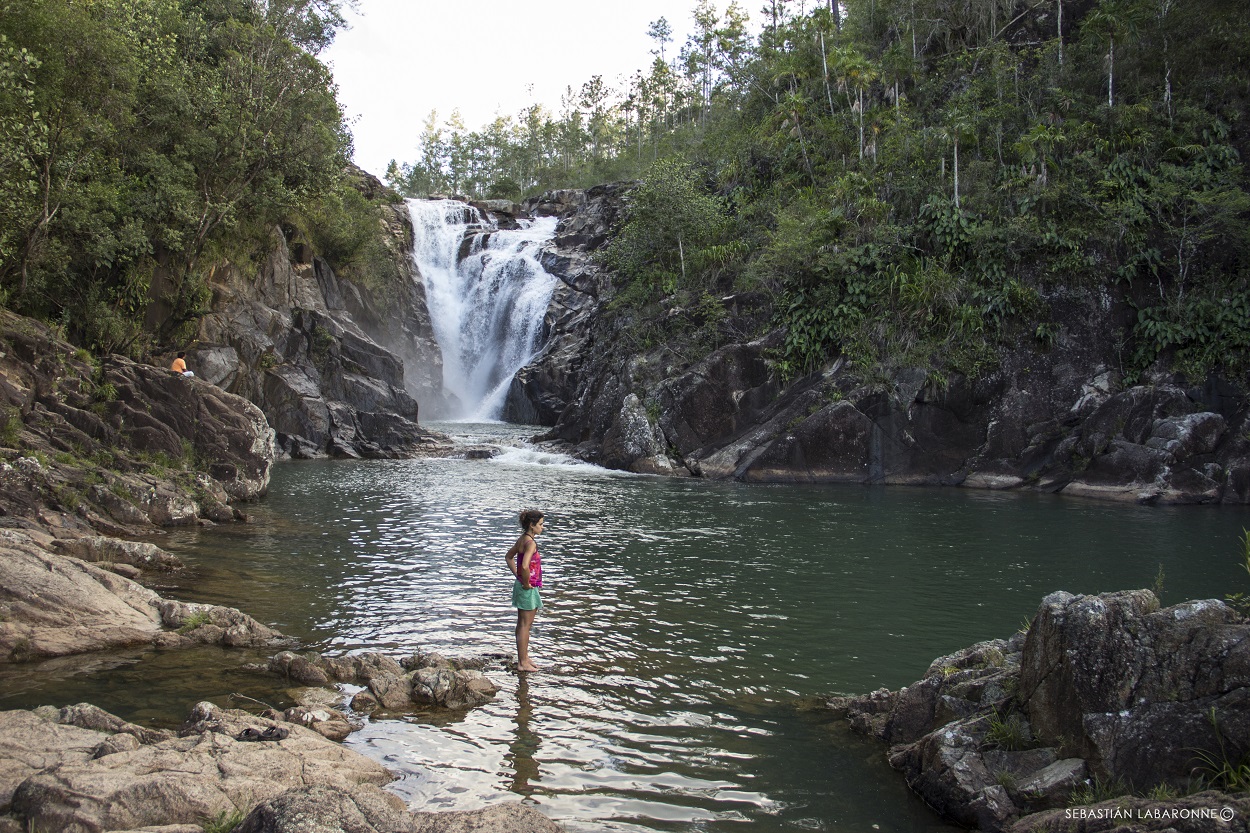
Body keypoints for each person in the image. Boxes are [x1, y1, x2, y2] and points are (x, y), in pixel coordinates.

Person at [505, 509, 545, 672]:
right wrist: (526, 582)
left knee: (522, 624)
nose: (542, 528)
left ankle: (524, 657)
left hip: (521, 585)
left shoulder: (522, 539)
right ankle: (522, 663)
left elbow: (509, 557)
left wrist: (518, 576)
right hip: (527, 587)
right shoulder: (531, 543)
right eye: (540, 525)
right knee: (525, 625)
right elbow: (524, 565)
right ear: (532, 525)